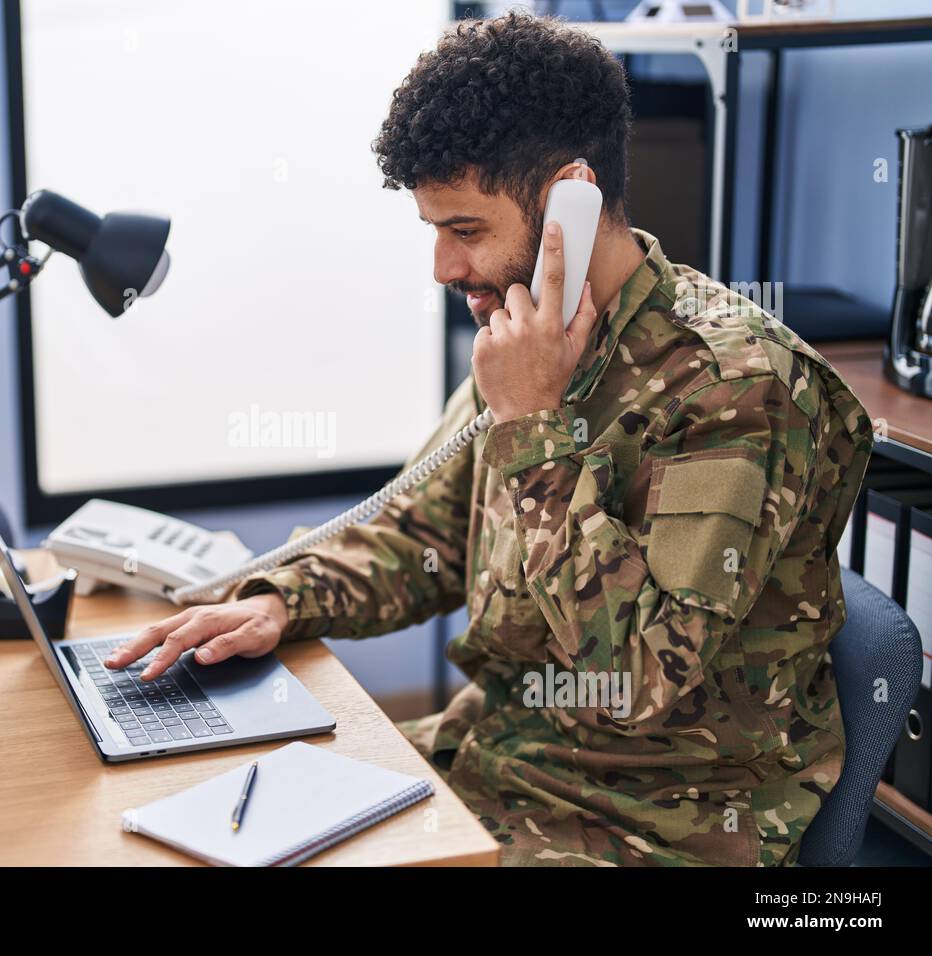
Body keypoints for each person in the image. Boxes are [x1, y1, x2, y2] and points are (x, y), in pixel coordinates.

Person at [105, 12, 873, 866]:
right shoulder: (527, 339)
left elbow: (641, 679)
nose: (441, 267)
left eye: (465, 230)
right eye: (435, 230)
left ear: (569, 199)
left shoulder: (738, 386)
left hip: (651, 822)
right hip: (497, 759)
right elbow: (424, 532)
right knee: (186, 817)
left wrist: (536, 429)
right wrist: (284, 598)